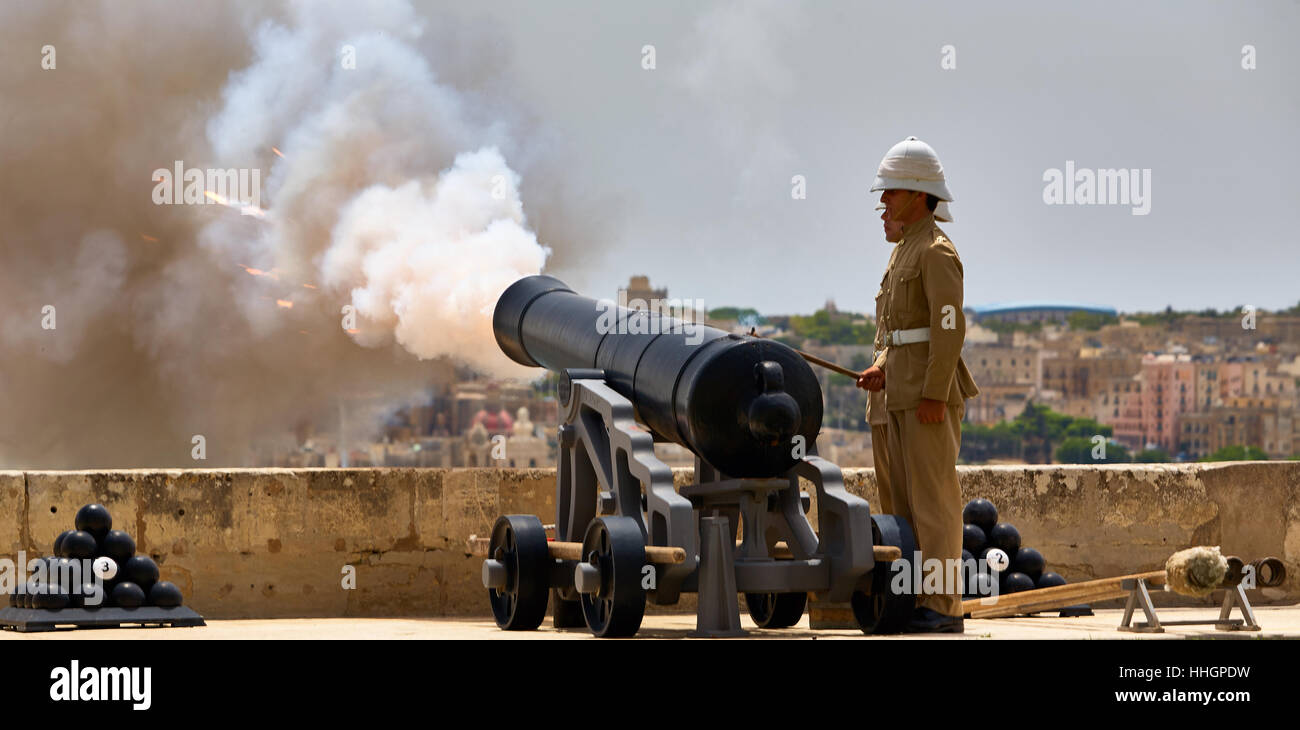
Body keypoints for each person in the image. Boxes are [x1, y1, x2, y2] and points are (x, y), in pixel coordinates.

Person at [857, 136, 979, 633]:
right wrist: (883, 367)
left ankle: (942, 607)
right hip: (895, 396)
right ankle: (912, 601)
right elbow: (900, 330)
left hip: (924, 397)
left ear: (917, 193)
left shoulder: (935, 251)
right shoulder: (905, 250)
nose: (883, 202)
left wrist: (934, 392)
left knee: (934, 506)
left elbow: (948, 327)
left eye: (891, 192)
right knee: (901, 509)